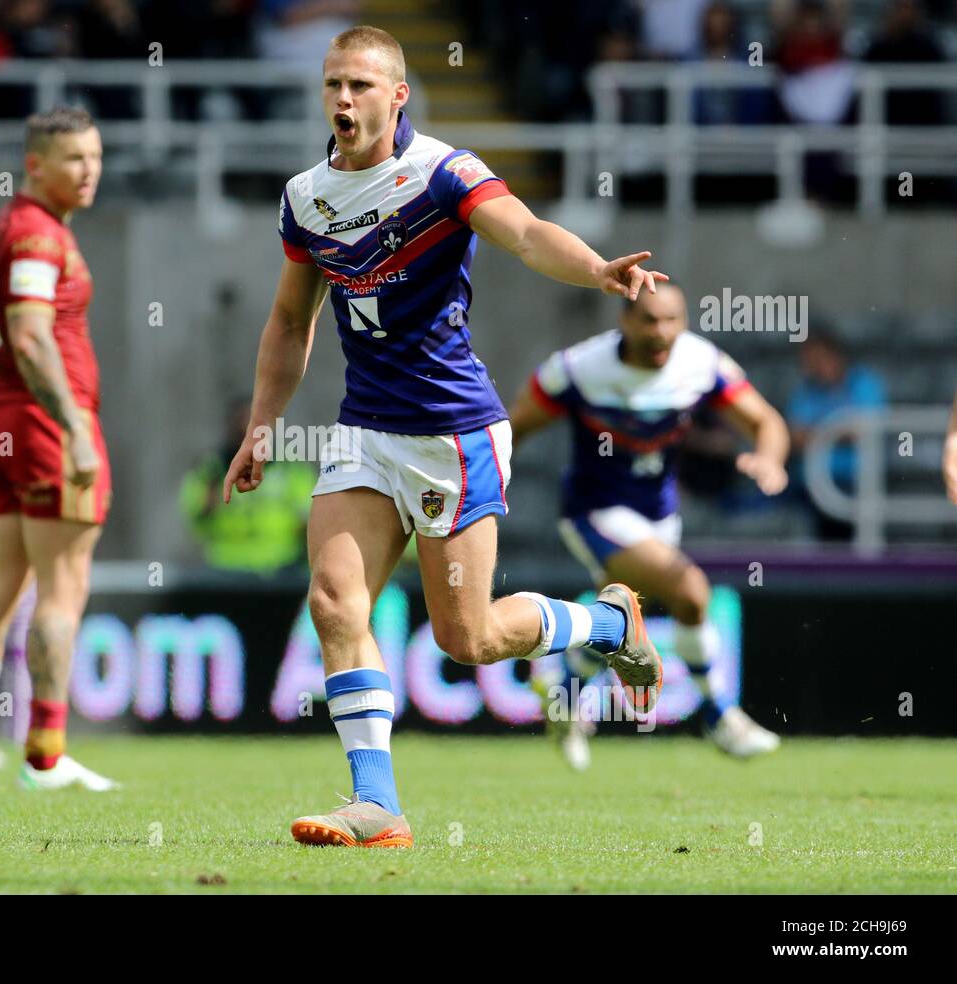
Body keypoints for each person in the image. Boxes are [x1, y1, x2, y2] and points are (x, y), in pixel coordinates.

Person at [224, 26, 668, 848]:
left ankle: (610, 625)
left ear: (398, 95)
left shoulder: (443, 172)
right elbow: (291, 319)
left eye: (361, 85)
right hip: (365, 431)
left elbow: (528, 233)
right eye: (333, 86)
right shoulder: (304, 197)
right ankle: (377, 804)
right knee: (332, 599)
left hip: (451, 435)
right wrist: (262, 425)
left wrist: (598, 268)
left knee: (468, 638)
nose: (344, 100)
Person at [510, 286, 787, 770]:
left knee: (616, 619)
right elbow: (512, 429)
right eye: (650, 320)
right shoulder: (578, 368)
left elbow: (766, 421)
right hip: (594, 512)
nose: (662, 333)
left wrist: (768, 458)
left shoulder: (702, 362)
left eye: (672, 320)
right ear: (625, 319)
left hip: (660, 516)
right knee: (691, 592)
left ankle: (565, 698)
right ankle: (720, 717)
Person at [0, 106, 117, 793]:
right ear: (35, 165)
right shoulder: (40, 237)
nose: (90, 171)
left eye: (96, 157)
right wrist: (74, 427)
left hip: (1, 423)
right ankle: (44, 754)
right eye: (75, 159)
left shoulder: (4, 229)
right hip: (44, 425)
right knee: (62, 588)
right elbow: (33, 334)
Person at [180, 397, 316, 573]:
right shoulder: (210, 471)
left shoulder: (291, 470)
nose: (246, 434)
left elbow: (309, 519)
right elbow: (196, 516)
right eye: (241, 426)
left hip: (281, 568)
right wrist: (213, 484)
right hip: (225, 567)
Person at [785, 331, 887, 541]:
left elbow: (866, 429)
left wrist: (819, 435)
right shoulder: (805, 391)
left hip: (859, 481)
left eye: (819, 359)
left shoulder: (864, 383)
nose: (814, 367)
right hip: (811, 485)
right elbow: (794, 437)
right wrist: (835, 433)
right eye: (809, 362)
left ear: (836, 356)